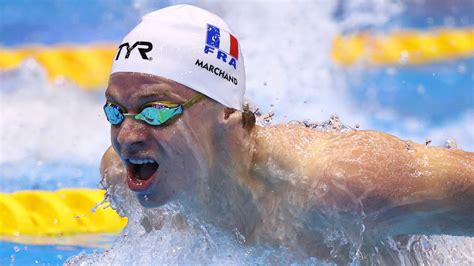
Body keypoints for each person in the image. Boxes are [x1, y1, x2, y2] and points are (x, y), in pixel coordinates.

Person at [100, 4, 474, 262]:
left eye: (156, 111)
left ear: (227, 112)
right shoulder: (125, 180)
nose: (127, 136)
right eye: (116, 110)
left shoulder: (343, 185)